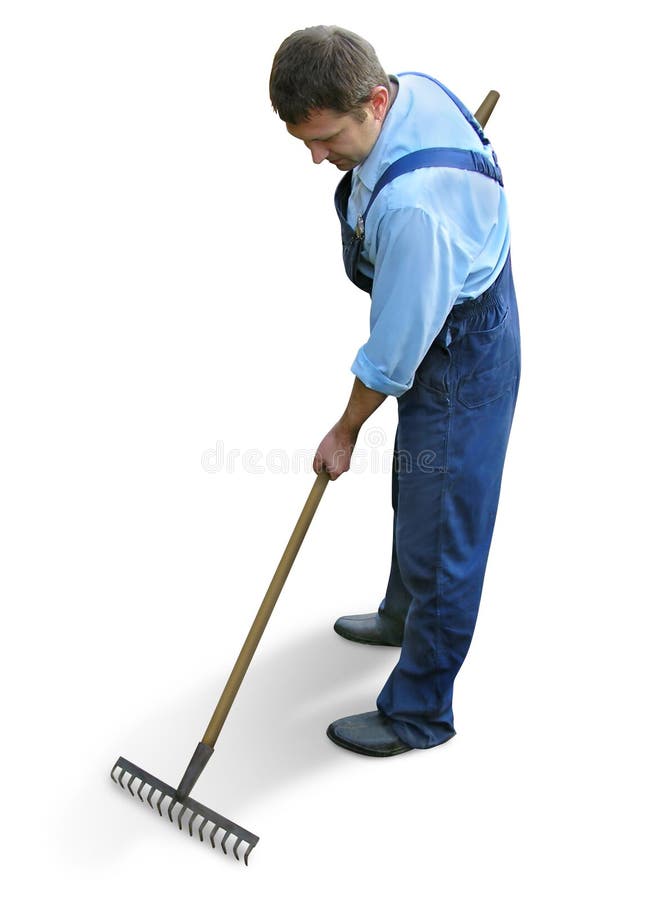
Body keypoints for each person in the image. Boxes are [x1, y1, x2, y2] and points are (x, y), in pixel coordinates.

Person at [269, 26, 521, 756]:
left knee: (443, 527)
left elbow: (393, 351)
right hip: (444, 301)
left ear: (374, 101)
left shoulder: (415, 211)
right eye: (303, 142)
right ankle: (401, 613)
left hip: (460, 350)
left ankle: (418, 712)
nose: (316, 158)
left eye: (325, 139)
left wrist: (344, 429)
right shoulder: (411, 86)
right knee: (416, 492)